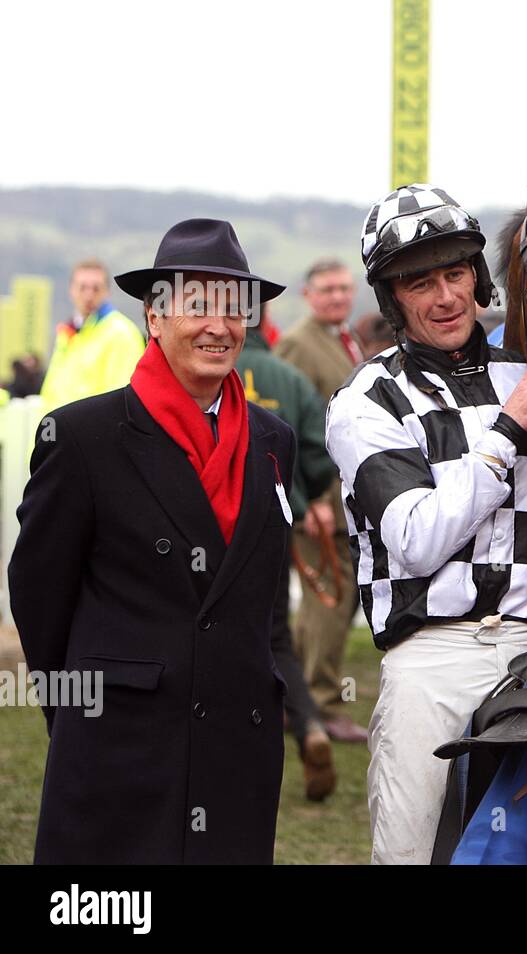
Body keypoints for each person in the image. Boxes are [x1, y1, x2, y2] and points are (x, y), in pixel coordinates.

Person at [325, 184, 527, 864]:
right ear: (392, 299)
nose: (446, 296)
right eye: (419, 283)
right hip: (431, 657)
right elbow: (417, 539)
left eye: (456, 273)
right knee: (414, 854)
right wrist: (510, 423)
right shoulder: (367, 399)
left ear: (479, 275)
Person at [10, 219, 295, 863]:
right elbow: (38, 596)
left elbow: (260, 604)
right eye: (197, 305)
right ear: (155, 316)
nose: (218, 325)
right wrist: (89, 711)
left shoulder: (273, 440)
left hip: (235, 754)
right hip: (119, 758)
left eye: (233, 307)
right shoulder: (82, 439)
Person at [236, 302, 339, 800]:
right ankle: (311, 729)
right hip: (274, 527)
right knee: (276, 639)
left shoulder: (202, 370)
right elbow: (319, 458)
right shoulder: (292, 378)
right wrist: (303, 498)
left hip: (203, 536)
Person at [275, 259, 368, 744]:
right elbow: (285, 428)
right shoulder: (297, 344)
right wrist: (307, 500)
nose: (336, 297)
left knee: (333, 599)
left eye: (343, 288)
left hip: (343, 499)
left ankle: (307, 701)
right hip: (318, 501)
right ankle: (320, 705)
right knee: (327, 601)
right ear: (308, 295)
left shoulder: (343, 339)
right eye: (326, 289)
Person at [40, 258, 145, 413]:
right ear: (71, 290)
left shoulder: (122, 334)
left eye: (96, 288)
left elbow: (121, 402)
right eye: (82, 287)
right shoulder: (68, 332)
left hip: (88, 433)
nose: (89, 295)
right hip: (55, 430)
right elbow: (53, 391)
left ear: (107, 291)